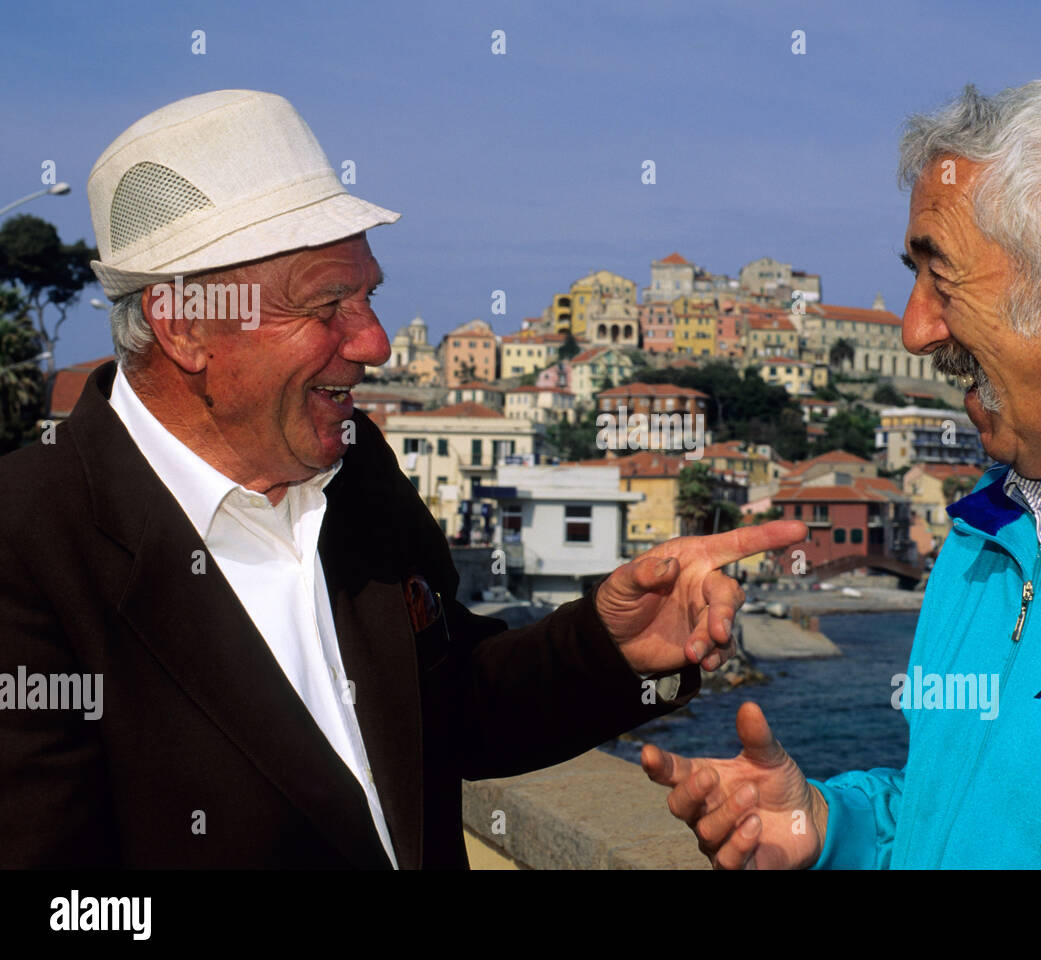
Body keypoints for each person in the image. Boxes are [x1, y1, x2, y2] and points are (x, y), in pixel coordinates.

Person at [0, 89, 806, 868]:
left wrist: (614, 650)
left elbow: (448, 705)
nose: (376, 342)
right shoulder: (26, 543)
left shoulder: (358, 469)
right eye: (328, 305)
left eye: (370, 295)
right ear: (185, 327)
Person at [644, 75, 1041, 869]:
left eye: (941, 276)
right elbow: (954, 810)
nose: (916, 329)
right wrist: (828, 826)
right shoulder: (986, 522)